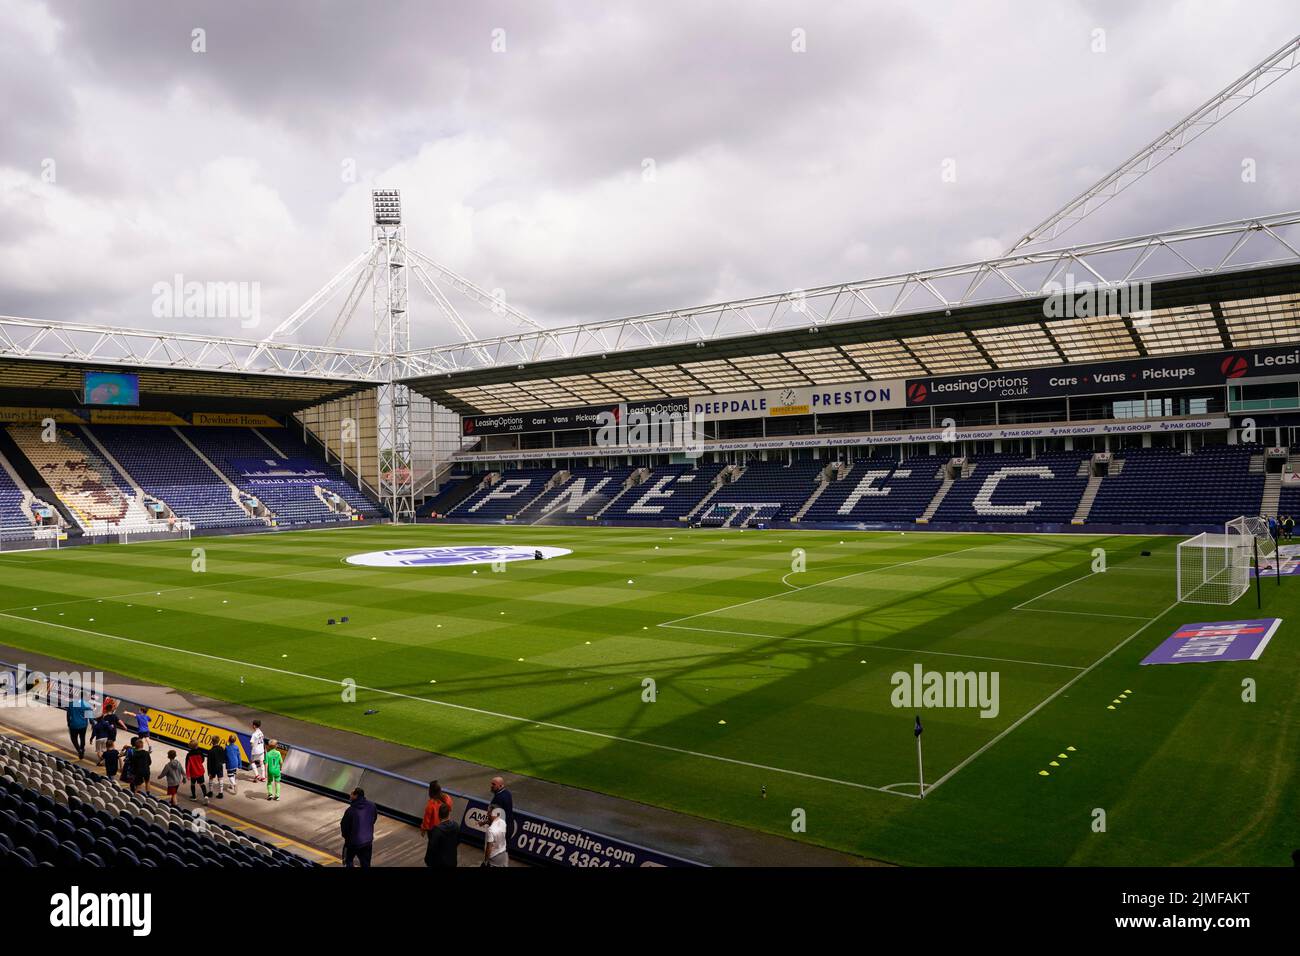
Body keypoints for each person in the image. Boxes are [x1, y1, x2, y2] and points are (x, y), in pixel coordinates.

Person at [340, 787, 377, 868]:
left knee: (348, 861)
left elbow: (344, 826)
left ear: (356, 795)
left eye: (351, 794)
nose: (350, 795)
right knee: (366, 864)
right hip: (367, 842)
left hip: (353, 843)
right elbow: (373, 820)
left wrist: (347, 838)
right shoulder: (372, 806)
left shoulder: (351, 810)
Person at [425, 801, 460, 868]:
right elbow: (458, 841)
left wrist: (428, 861)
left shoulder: (436, 831)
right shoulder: (456, 826)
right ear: (449, 814)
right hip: (452, 862)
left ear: (438, 815)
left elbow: (431, 848)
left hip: (439, 863)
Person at [66, 696, 94, 760]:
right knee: (82, 737)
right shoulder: (86, 705)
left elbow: (68, 715)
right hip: (83, 725)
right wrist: (93, 724)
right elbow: (91, 719)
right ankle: (82, 748)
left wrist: (68, 723)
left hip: (73, 725)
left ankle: (79, 750)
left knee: (73, 738)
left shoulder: (71, 704)